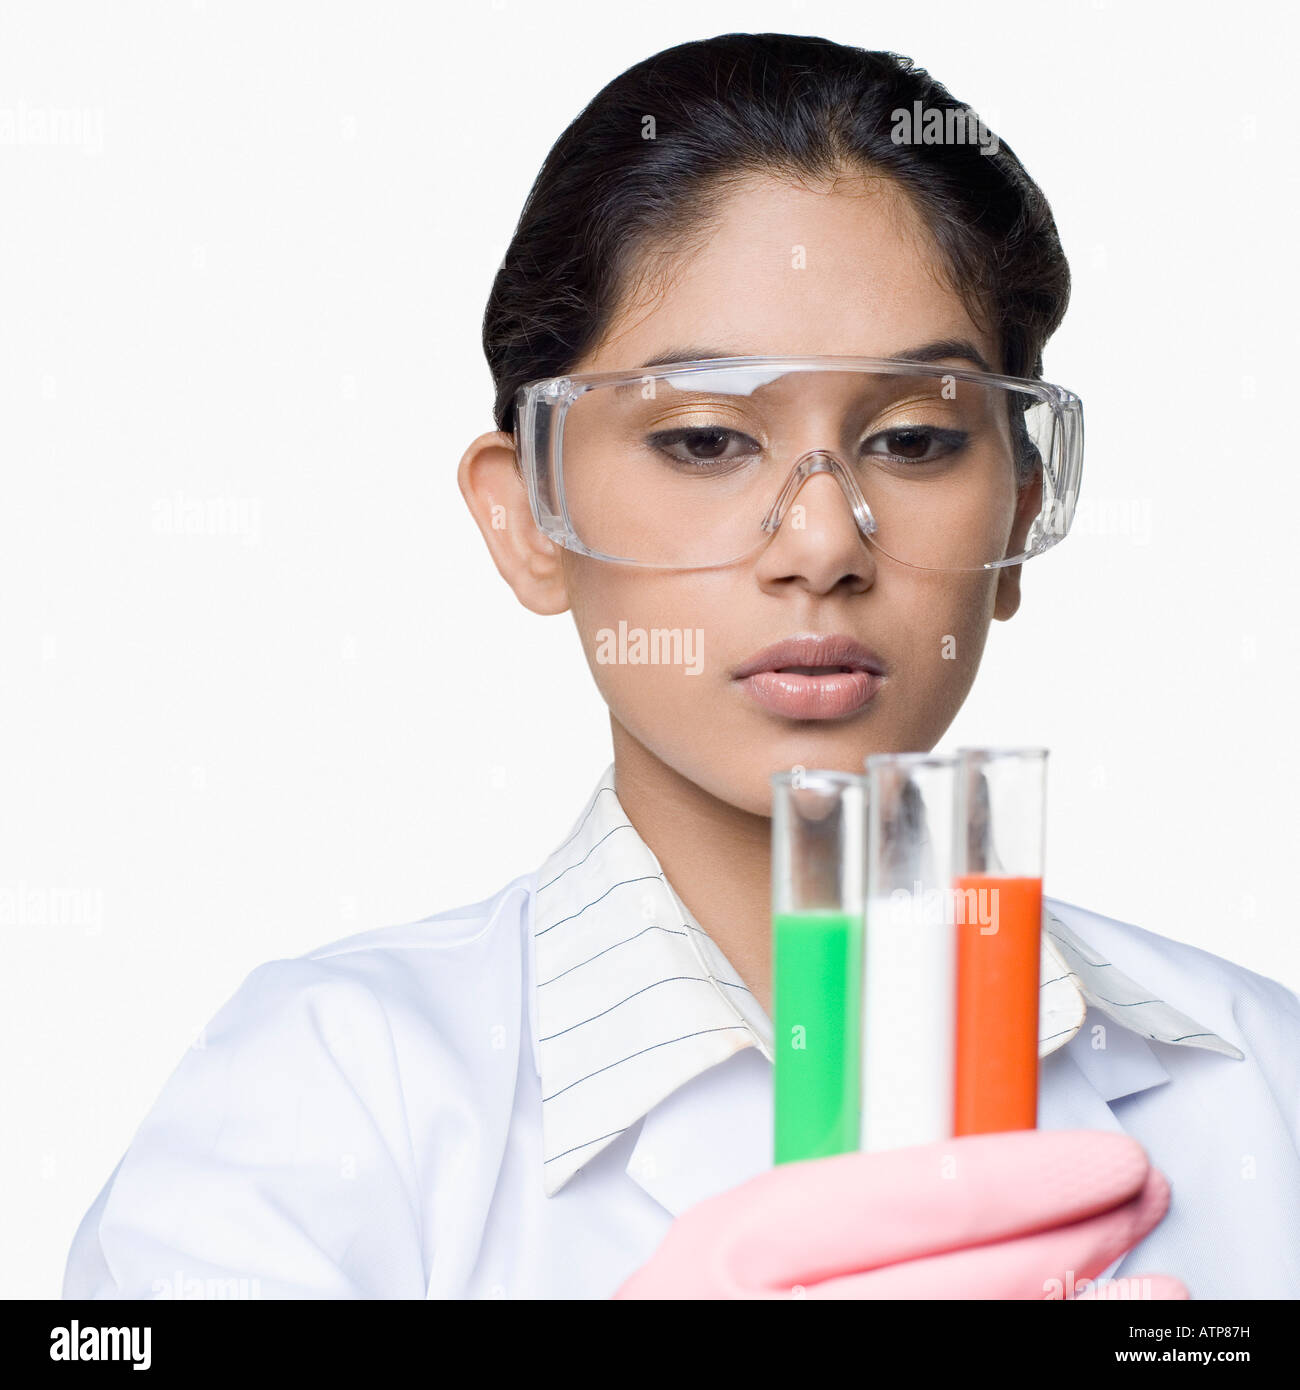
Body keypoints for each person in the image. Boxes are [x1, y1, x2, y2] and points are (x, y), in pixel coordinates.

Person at [65, 31, 1300, 1301]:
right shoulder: (321, 1104)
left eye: (918, 439)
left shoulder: (1262, 1091)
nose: (822, 542)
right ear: (528, 514)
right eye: (707, 438)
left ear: (1018, 510)